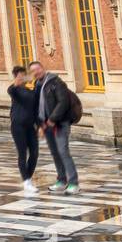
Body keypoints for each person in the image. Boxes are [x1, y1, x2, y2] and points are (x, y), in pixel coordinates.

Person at [31, 60, 81, 194]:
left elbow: (63, 102)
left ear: (42, 68)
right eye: (33, 71)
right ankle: (62, 180)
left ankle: (73, 183)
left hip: (60, 123)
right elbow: (37, 107)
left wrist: (53, 119)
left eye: (37, 69)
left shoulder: (56, 82)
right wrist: (40, 125)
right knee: (55, 153)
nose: (36, 72)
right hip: (46, 125)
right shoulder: (37, 85)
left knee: (63, 151)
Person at [7, 65, 39, 195]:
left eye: (23, 75)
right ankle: (26, 181)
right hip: (18, 126)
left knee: (35, 153)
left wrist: (40, 126)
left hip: (31, 126)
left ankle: (28, 178)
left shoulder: (31, 90)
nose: (22, 77)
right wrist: (16, 83)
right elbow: (10, 91)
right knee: (22, 154)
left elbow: (36, 109)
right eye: (19, 75)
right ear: (15, 76)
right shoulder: (15, 90)